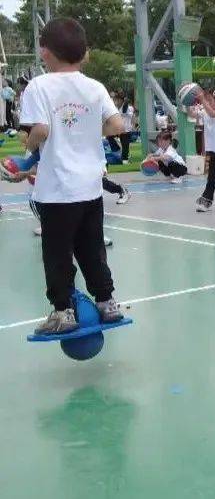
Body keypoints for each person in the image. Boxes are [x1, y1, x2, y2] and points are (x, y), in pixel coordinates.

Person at [20, 18, 126, 335]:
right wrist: (87, 132)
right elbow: (117, 125)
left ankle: (63, 312)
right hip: (90, 187)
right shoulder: (95, 87)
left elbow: (40, 130)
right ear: (85, 53)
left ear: (44, 52)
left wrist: (28, 151)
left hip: (57, 189)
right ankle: (107, 303)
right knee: (92, 249)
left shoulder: (39, 86)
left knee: (57, 253)